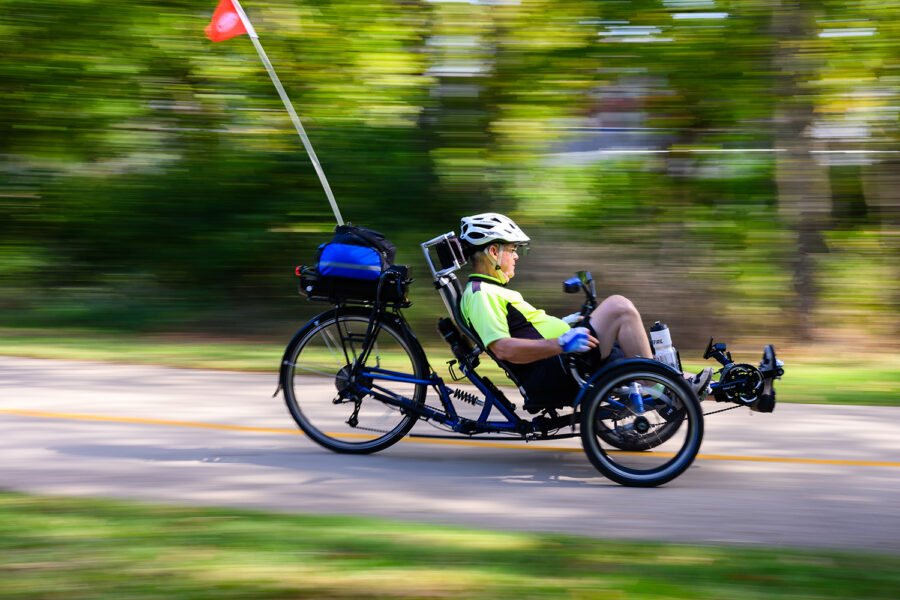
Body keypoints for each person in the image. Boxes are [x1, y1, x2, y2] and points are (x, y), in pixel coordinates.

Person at [457, 212, 713, 412]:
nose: (516, 257)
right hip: (557, 368)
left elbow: (527, 328)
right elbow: (503, 348)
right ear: (493, 252)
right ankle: (662, 389)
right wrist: (561, 343)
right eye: (512, 250)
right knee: (619, 306)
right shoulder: (482, 295)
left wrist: (565, 323)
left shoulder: (492, 290)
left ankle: (694, 384)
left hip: (561, 360)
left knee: (631, 351)